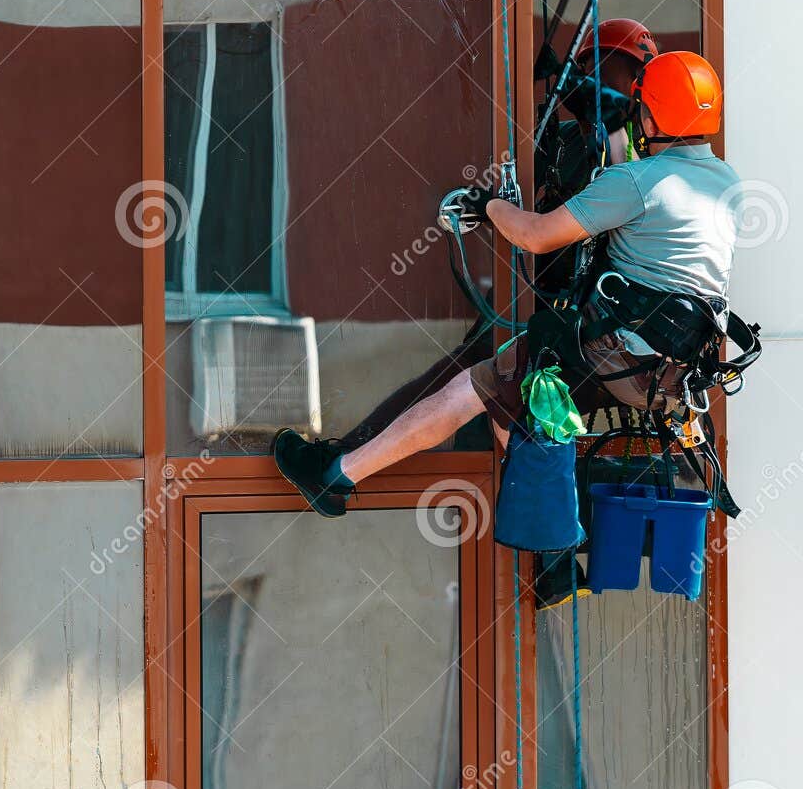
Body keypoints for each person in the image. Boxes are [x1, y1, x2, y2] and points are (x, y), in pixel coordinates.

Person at [275, 51, 737, 606]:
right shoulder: (722, 183)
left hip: (617, 354)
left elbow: (537, 236)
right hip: (676, 375)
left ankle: (337, 474)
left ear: (652, 117)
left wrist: (490, 204)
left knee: (470, 388)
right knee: (519, 407)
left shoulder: (640, 182)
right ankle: (557, 561)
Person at [336, 18, 660, 451]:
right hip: (533, 292)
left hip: (587, 321)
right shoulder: (564, 137)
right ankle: (352, 450)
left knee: (485, 392)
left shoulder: (641, 147)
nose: (614, 80)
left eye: (628, 71)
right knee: (457, 381)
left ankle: (349, 458)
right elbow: (528, 201)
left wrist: (609, 122)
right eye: (599, 68)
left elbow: (621, 169)